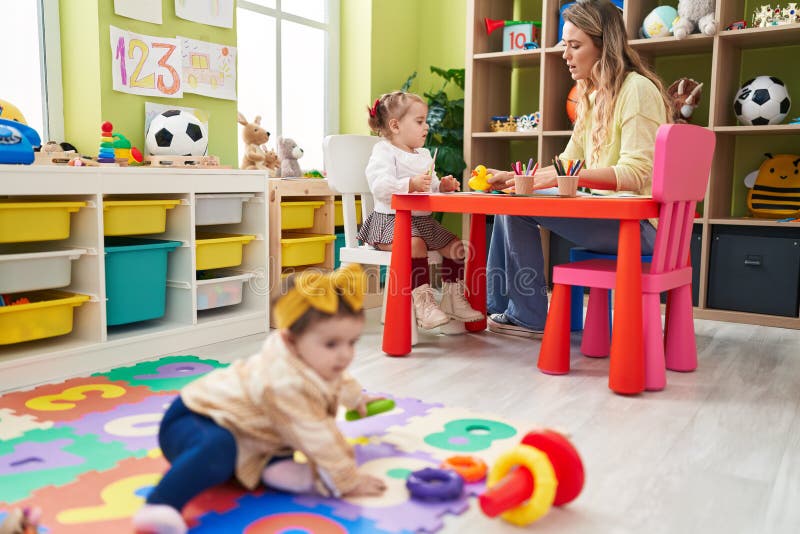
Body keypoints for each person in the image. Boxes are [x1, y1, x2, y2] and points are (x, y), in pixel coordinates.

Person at [132, 264, 386, 534]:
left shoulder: (314, 358)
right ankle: (160, 505)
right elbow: (318, 434)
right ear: (290, 340)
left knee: (281, 433)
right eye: (332, 344)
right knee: (222, 447)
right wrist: (348, 480)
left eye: (351, 342)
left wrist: (357, 399)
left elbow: (339, 379)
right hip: (193, 420)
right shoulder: (285, 382)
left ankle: (272, 467)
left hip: (250, 430)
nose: (345, 354)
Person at [485, 0, 672, 338]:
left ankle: (525, 315)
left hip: (642, 228)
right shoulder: (593, 97)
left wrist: (565, 176)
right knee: (511, 197)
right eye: (564, 45)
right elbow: (566, 163)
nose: (565, 54)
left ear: (603, 46)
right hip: (613, 219)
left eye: (575, 45)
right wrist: (517, 178)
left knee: (516, 207)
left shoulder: (637, 90)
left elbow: (635, 174)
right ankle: (500, 308)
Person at [358, 90, 483, 330]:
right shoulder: (384, 151)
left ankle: (452, 300)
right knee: (415, 244)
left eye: (425, 121)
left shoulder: (424, 154)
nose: (426, 127)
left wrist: (441, 186)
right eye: (419, 121)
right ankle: (424, 304)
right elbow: (380, 186)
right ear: (395, 126)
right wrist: (410, 184)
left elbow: (430, 186)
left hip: (422, 224)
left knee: (456, 246)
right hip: (391, 221)